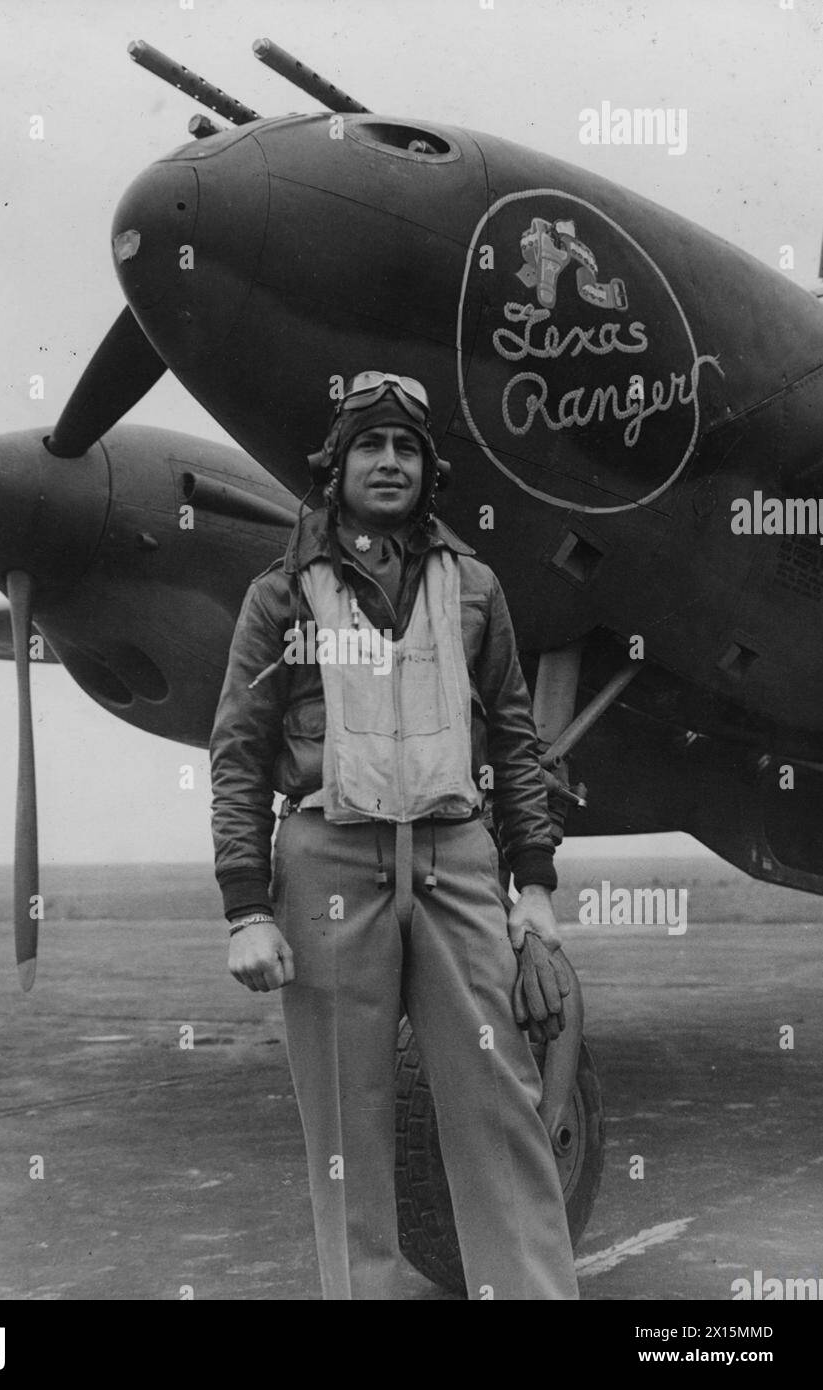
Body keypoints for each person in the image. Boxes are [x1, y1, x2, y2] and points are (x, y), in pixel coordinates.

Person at [208, 371, 579, 1300]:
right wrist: (245, 911)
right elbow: (238, 757)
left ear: (427, 469)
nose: (386, 462)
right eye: (367, 446)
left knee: (502, 1107)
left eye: (404, 447)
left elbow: (517, 740)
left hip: (457, 860)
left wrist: (533, 890)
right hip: (327, 856)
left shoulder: (475, 589)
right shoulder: (279, 595)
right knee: (345, 1127)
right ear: (335, 467)